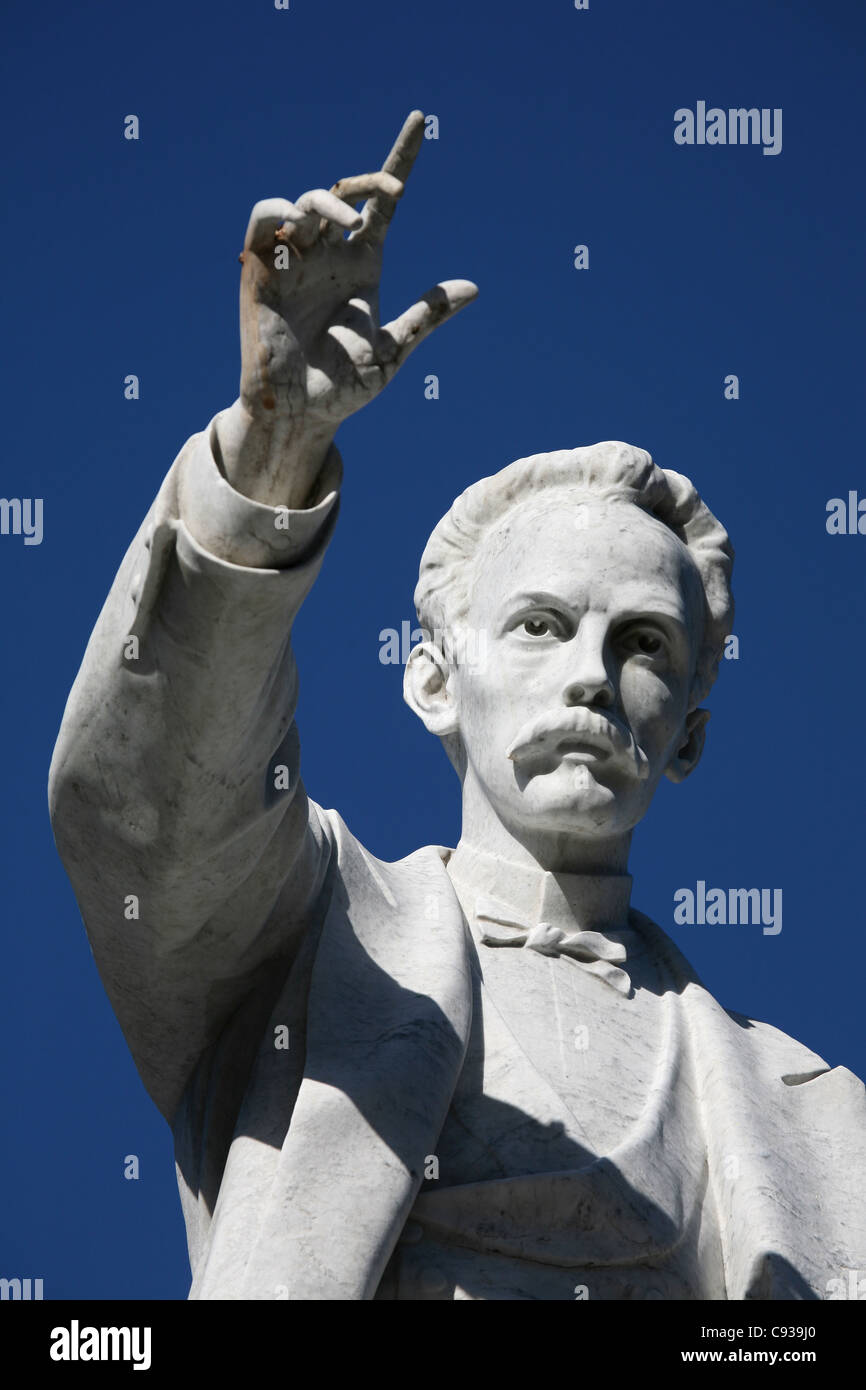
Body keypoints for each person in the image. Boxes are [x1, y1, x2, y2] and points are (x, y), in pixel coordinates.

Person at [49, 112, 866, 1301]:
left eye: (642, 644)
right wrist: (272, 456)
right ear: (432, 677)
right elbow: (143, 803)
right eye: (540, 624)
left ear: (685, 731)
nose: (589, 673)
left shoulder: (821, 1120)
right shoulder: (304, 937)